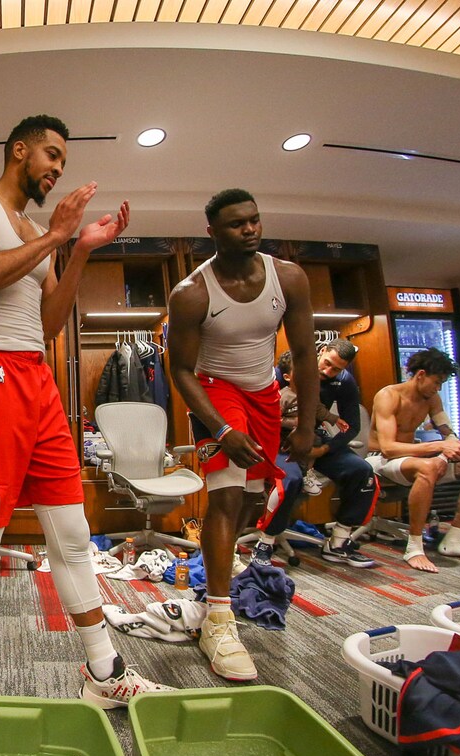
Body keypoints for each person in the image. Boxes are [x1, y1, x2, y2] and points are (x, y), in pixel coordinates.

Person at [0, 113, 172, 707]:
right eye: (52, 155)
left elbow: (49, 323)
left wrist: (79, 250)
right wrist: (56, 238)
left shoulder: (39, 230)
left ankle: (104, 671)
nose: (59, 169)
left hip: (36, 379)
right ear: (20, 150)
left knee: (72, 532)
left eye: (64, 160)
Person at [167, 188, 318, 682]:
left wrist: (306, 426)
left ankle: (219, 569)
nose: (250, 229)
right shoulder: (192, 292)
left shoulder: (288, 277)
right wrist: (222, 427)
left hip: (265, 393)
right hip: (216, 390)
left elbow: (305, 355)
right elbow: (181, 369)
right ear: (212, 232)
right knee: (227, 497)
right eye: (237, 224)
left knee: (253, 499)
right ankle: (218, 618)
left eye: (254, 220)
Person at [367, 348, 460, 573]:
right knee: (428, 467)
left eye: (442, 384)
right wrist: (439, 446)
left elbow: (446, 430)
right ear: (420, 375)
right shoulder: (388, 396)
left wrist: (455, 444)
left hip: (414, 457)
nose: (438, 388)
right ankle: (414, 548)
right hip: (381, 460)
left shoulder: (431, 399)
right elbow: (388, 448)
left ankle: (454, 539)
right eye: (436, 382)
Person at [255, 343, 379, 568]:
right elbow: (261, 416)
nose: (328, 372)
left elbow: (351, 426)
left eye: (336, 369)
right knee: (289, 479)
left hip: (314, 438)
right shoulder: (285, 372)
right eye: (327, 364)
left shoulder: (344, 382)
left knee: (362, 471)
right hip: (280, 441)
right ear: (321, 351)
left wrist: (324, 450)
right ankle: (265, 543)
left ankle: (338, 542)